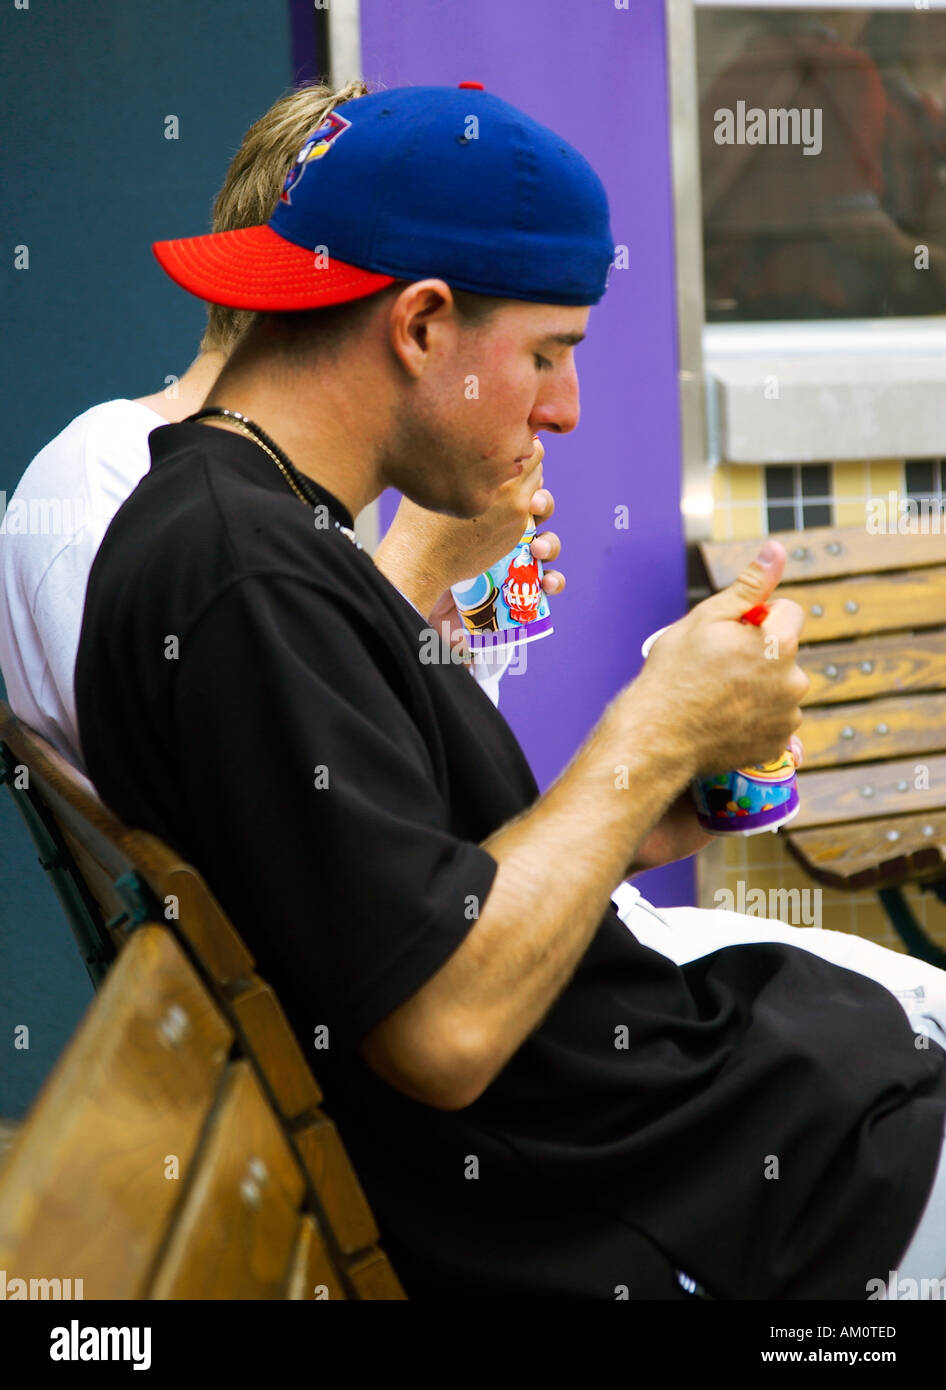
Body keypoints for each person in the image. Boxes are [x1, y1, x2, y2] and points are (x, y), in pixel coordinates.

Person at [73, 83, 946, 1300]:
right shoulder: (239, 574)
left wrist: (645, 820)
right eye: (547, 353)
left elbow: (408, 900)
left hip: (725, 1141)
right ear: (421, 324)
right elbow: (444, 1028)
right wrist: (651, 734)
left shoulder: (249, 538)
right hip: (713, 1204)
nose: (566, 409)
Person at [0, 79, 562, 769]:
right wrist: (414, 570)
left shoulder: (292, 483)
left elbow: (410, 811)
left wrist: (435, 633)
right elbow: (243, 794)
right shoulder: (108, 476)